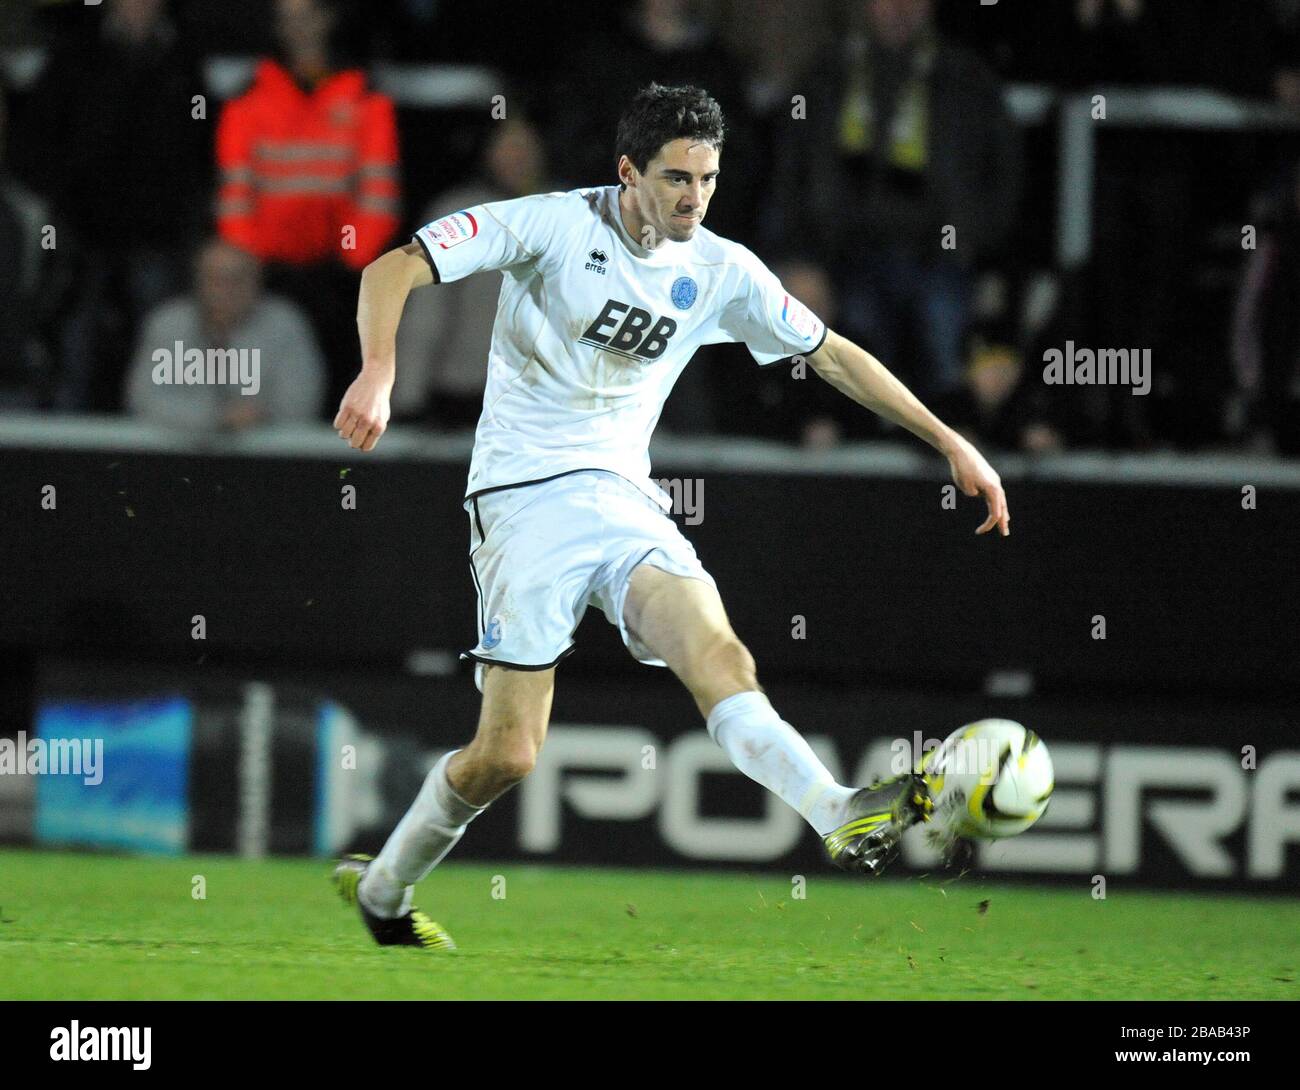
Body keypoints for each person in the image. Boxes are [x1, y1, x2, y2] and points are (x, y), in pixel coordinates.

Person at [329, 84, 1009, 950]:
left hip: (623, 501)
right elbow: (391, 268)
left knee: (718, 650)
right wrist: (378, 371)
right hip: (523, 500)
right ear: (628, 172)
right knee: (506, 756)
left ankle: (835, 809)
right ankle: (384, 891)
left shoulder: (720, 269)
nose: (695, 198)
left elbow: (834, 355)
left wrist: (952, 440)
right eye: (677, 178)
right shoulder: (548, 227)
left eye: (709, 179)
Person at [215, 0, 401, 408]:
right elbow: (235, 194)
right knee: (265, 380)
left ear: (327, 18)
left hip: (340, 275)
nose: (298, 28)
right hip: (268, 274)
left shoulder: (364, 95)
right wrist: (252, 263)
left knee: (342, 380)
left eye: (307, 15)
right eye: (287, 18)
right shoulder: (248, 98)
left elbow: (377, 192)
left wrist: (352, 261)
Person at [125, 238, 324, 432]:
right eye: (215, 279)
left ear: (258, 280)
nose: (227, 290)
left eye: (237, 279)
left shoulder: (286, 323)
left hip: (269, 455)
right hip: (182, 454)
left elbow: (302, 400)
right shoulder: (168, 323)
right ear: (198, 282)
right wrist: (214, 418)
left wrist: (261, 414)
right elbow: (143, 399)